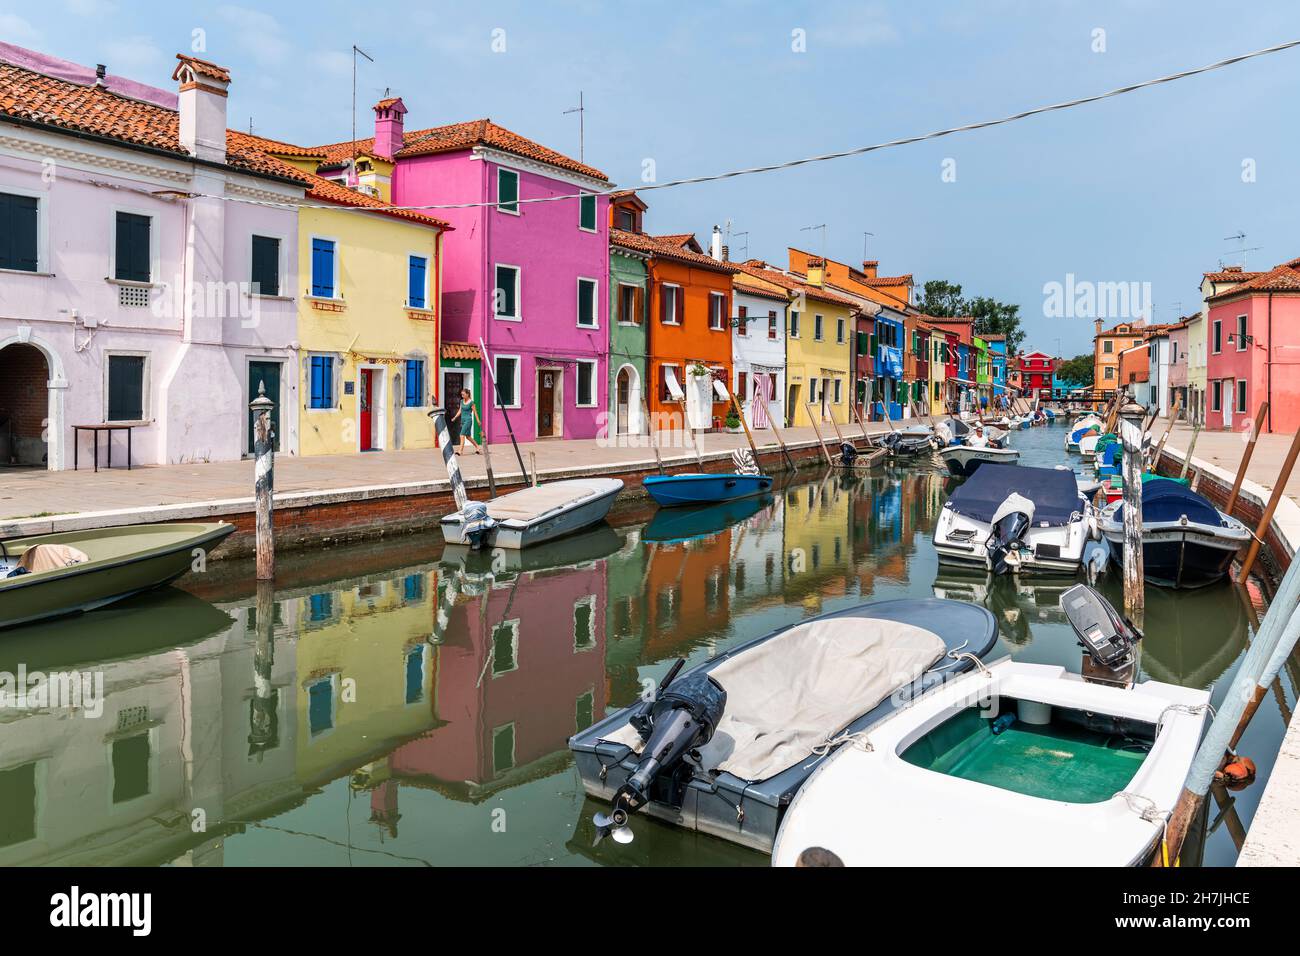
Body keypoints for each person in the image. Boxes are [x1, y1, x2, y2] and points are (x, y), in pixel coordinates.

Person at [453, 388, 481, 455]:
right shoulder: (461, 401)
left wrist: (478, 420)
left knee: (462, 435)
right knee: (468, 437)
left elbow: (475, 412)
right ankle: (477, 447)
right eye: (461, 394)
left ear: (467, 394)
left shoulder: (471, 402)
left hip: (468, 420)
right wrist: (455, 417)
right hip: (463, 420)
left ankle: (460, 451)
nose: (462, 396)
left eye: (463, 394)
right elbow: (460, 410)